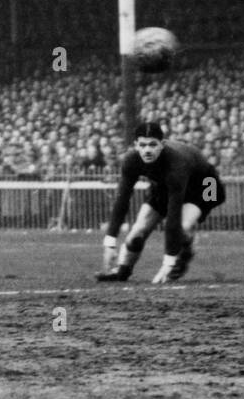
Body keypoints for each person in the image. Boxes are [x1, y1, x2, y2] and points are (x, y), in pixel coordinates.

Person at [96, 121, 225, 284]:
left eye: (152, 145)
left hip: (206, 185)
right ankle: (122, 270)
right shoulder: (131, 161)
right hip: (166, 185)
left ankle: (186, 248)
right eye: (142, 145)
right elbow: (122, 199)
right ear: (135, 145)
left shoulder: (177, 164)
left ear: (162, 145)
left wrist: (168, 261)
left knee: (182, 227)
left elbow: (173, 215)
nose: (147, 150)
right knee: (138, 232)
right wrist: (110, 242)